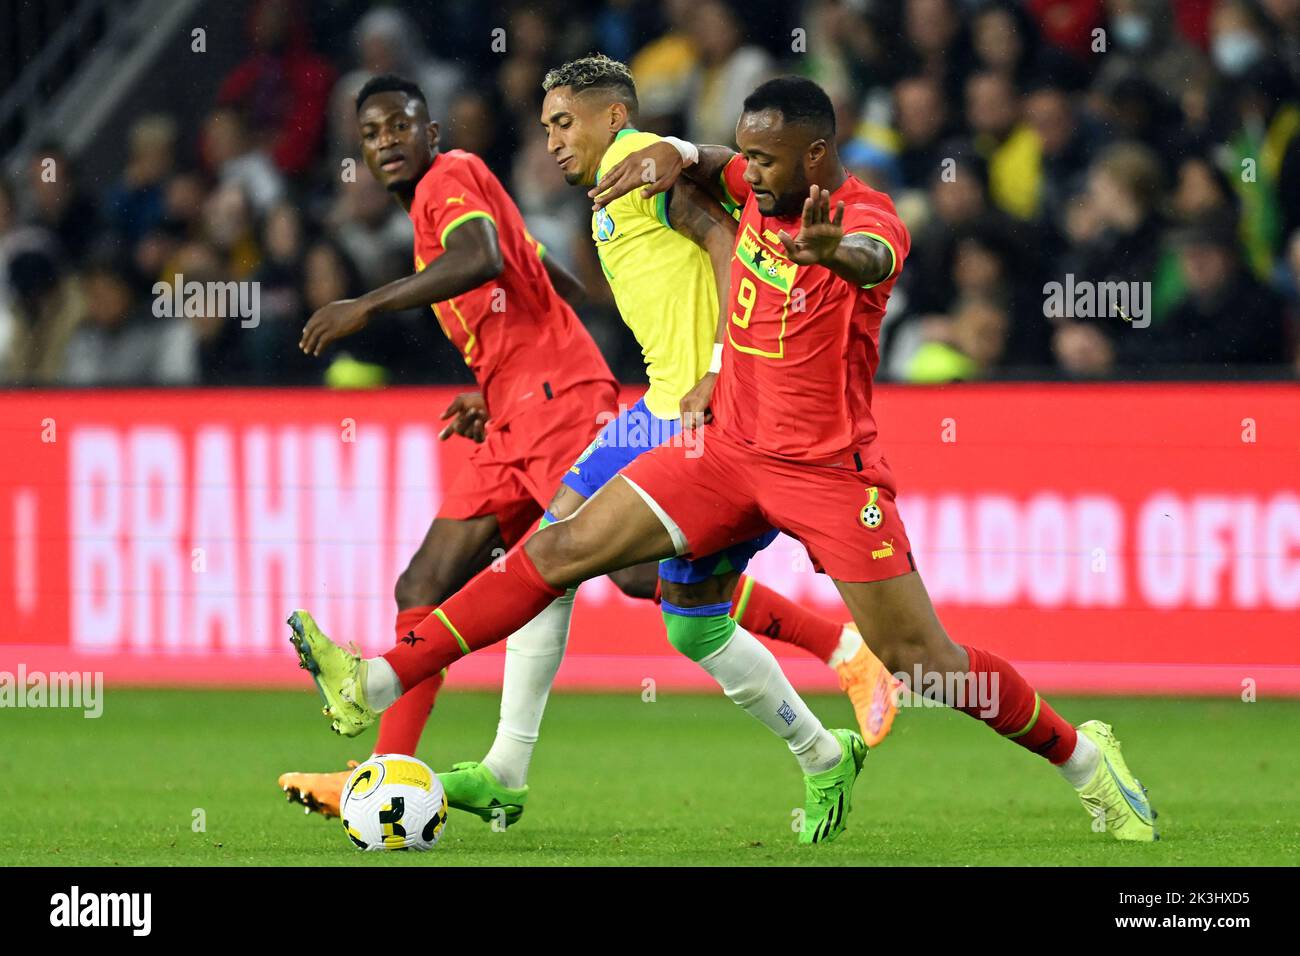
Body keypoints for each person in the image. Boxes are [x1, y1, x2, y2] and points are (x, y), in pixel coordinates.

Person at [288, 77, 1159, 845]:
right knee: (565, 552)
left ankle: (1086, 761)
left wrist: (833, 253)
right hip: (726, 451)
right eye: (747, 154)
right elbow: (712, 165)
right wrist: (677, 151)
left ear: (816, 156)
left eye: (768, 160)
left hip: (825, 472)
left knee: (921, 660)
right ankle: (375, 679)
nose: (751, 173)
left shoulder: (867, 217)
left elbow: (875, 257)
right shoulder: (752, 180)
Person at [280, 74, 896, 839]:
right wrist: (507, 379)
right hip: (641, 408)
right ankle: (505, 768)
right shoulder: (607, 194)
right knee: (574, 570)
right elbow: (539, 270)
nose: (552, 141)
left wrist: (714, 364)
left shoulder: (636, 163)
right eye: (546, 127)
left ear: (614, 116)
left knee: (606, 575)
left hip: (690, 413)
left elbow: (723, 240)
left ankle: (837, 665)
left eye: (565, 123)